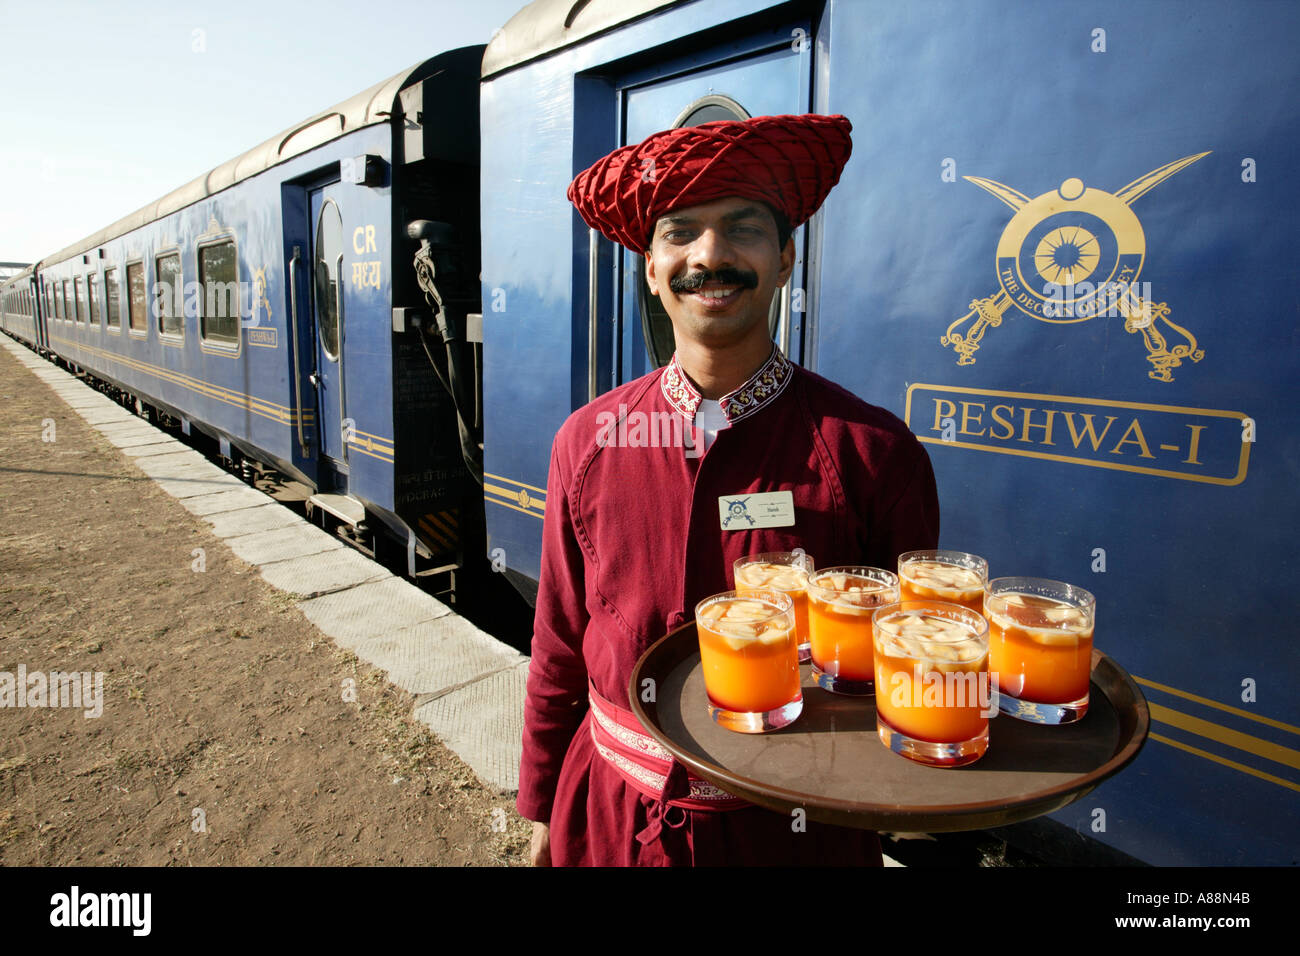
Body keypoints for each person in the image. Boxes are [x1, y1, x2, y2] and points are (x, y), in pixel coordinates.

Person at [517, 114, 940, 866]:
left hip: (795, 836)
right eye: (680, 232)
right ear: (650, 269)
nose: (709, 255)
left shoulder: (874, 453)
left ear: (785, 260)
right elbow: (557, 643)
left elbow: (915, 657)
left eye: (742, 228)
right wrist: (545, 804)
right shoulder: (585, 443)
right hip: (611, 821)